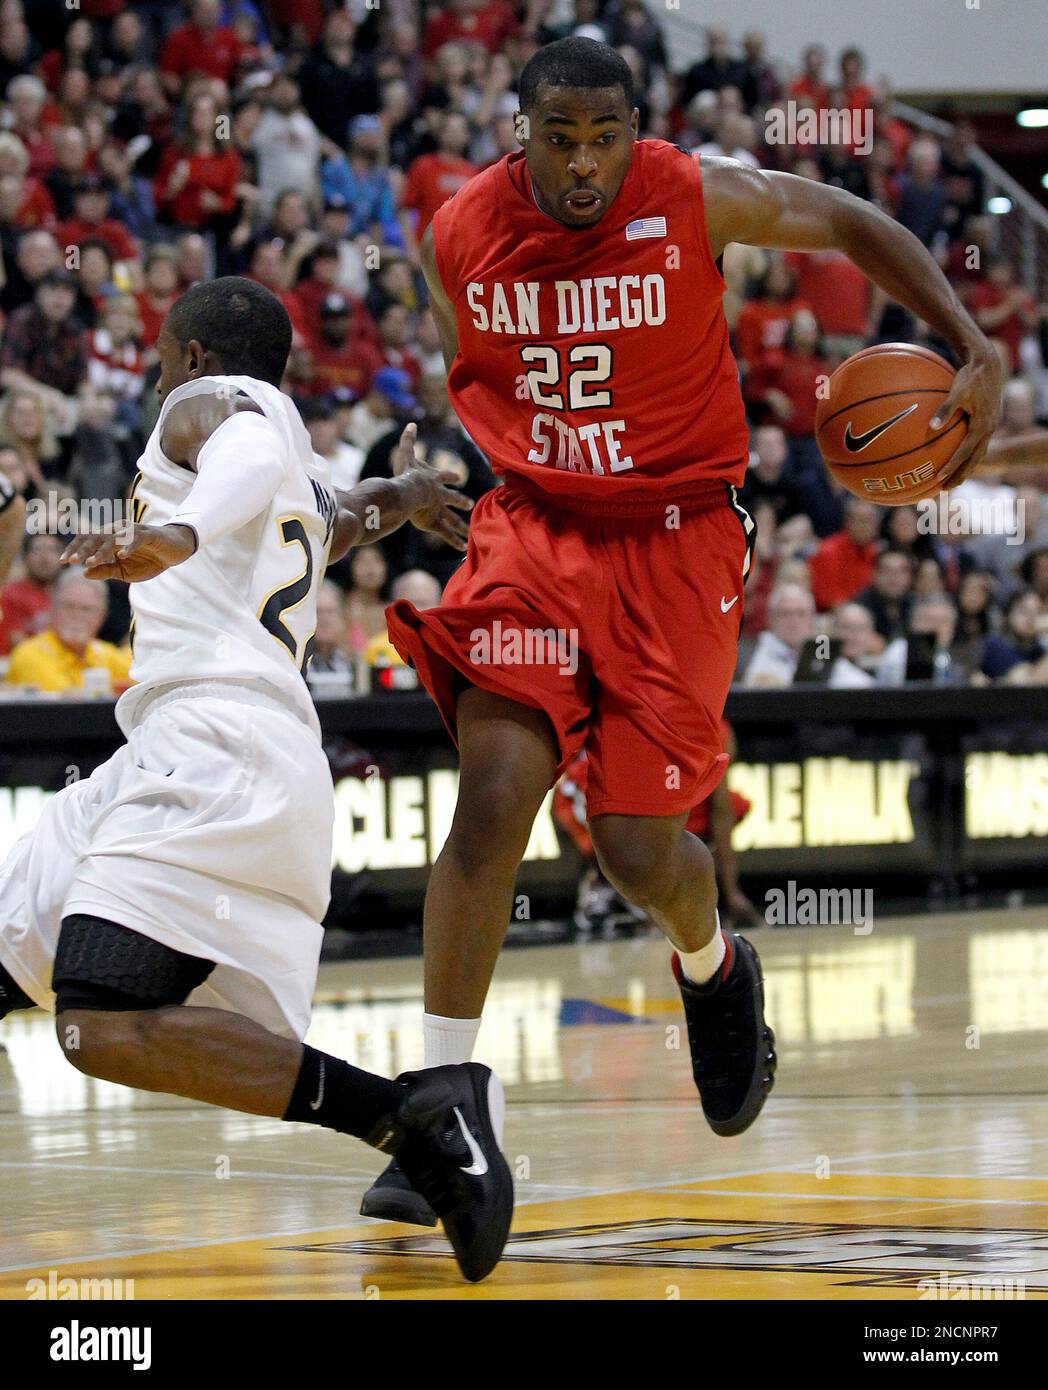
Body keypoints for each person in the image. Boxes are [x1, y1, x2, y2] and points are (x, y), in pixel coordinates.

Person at [361, 38, 999, 1223]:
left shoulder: (695, 192)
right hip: (536, 533)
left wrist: (967, 337)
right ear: (519, 131)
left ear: (635, 129)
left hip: (678, 540)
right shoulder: (455, 233)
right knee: (494, 789)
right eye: (559, 138)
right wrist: (431, 463)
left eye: (605, 136)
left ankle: (712, 963)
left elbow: (853, 221)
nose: (584, 163)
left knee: (636, 848)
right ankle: (439, 1105)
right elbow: (472, 382)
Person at [0, 275, 511, 1283]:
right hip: (184, 751)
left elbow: (236, 431)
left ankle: (409, 1120)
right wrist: (399, 499)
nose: (153, 374)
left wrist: (177, 533)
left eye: (158, 355)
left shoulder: (224, 408)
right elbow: (338, 515)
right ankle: (402, 1117)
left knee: (94, 1023)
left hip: (219, 750)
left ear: (191, 356)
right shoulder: (290, 475)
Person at [5, 570, 132, 694]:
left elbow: (142, 681)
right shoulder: (29, 654)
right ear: (51, 608)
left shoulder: (104, 653)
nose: (76, 615)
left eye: (86, 609)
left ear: (101, 616)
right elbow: (64, 704)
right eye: (69, 606)